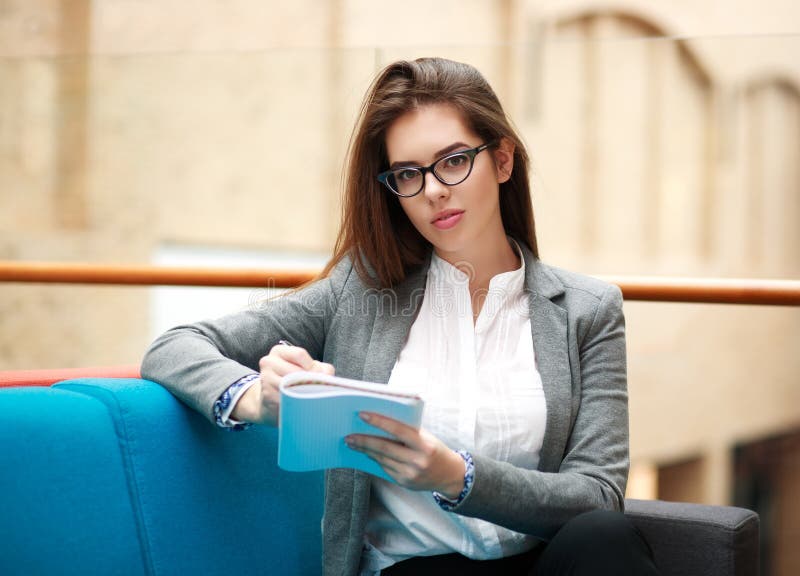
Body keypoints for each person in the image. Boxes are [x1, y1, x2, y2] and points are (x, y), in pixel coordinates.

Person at [142, 57, 659, 576]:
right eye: (409, 174)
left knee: (604, 537)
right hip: (410, 569)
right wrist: (261, 398)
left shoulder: (588, 311)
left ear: (502, 161)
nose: (433, 189)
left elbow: (598, 494)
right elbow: (175, 346)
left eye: (454, 160)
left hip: (540, 563)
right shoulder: (360, 290)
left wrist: (455, 476)